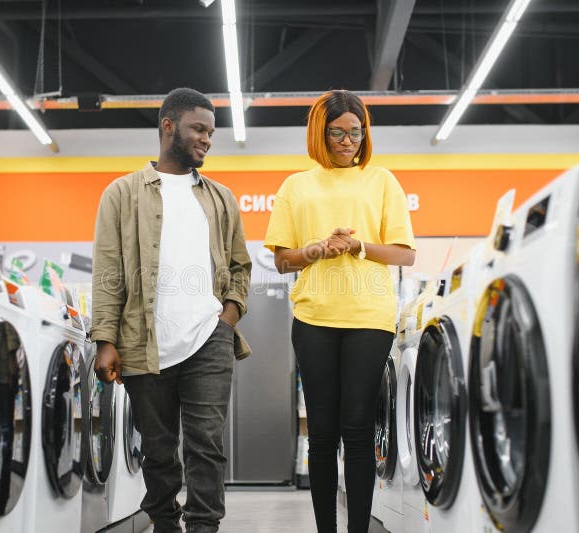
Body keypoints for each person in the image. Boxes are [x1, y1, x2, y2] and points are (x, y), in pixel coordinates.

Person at [91, 87, 251, 533]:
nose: (207, 140)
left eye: (211, 132)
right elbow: (108, 269)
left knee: (207, 445)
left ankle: (204, 527)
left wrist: (228, 320)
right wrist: (105, 340)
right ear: (168, 126)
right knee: (159, 448)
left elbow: (241, 265)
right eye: (198, 128)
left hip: (209, 339)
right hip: (144, 340)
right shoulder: (122, 193)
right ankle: (165, 524)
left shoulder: (221, 198)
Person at [264, 89, 416, 533]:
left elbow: (404, 254)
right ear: (321, 133)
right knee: (324, 434)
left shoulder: (383, 180)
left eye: (355, 131)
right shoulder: (297, 186)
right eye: (337, 132)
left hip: (369, 318)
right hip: (314, 318)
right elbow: (282, 259)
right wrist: (315, 250)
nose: (348, 140)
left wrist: (359, 245)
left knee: (358, 430)